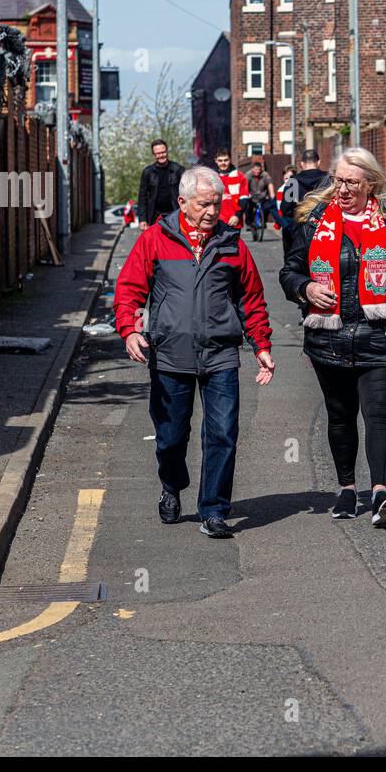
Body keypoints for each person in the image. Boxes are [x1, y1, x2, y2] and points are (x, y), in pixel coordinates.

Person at [279, 146, 386, 527]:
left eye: (351, 182)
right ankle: (348, 488)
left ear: (370, 183)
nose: (342, 189)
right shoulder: (313, 219)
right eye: (337, 180)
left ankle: (382, 491)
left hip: (384, 337)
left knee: (378, 412)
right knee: (340, 415)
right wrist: (305, 289)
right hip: (329, 337)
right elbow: (289, 273)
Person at [115, 165, 276, 539]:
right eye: (204, 204)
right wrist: (129, 330)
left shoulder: (232, 243)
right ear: (183, 202)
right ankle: (171, 485)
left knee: (222, 433)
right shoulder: (156, 239)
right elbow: (129, 290)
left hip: (220, 354)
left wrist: (262, 345)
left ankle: (214, 510)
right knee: (171, 436)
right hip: (171, 353)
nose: (212, 212)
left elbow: (251, 299)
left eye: (217, 204)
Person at [279, 149, 329, 259]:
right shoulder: (327, 179)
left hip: (299, 231)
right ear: (318, 162)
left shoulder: (293, 181)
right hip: (323, 230)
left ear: (302, 164)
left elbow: (285, 208)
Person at [137, 139, 184, 229]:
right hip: (154, 217)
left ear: (167, 152)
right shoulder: (148, 172)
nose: (161, 155)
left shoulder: (178, 169)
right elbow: (142, 197)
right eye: (158, 153)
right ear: (153, 155)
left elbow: (186, 193)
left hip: (175, 215)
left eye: (163, 152)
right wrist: (142, 219)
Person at [214, 150, 248, 230]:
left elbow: (244, 199)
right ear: (216, 161)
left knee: (233, 242)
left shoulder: (240, 176)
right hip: (216, 220)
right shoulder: (212, 177)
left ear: (230, 160)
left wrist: (237, 216)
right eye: (220, 160)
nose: (223, 163)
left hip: (233, 220)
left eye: (226, 160)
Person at [246, 159, 278, 242]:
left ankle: (263, 221)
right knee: (247, 207)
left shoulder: (265, 175)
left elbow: (270, 184)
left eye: (259, 170)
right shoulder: (248, 175)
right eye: (255, 169)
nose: (257, 171)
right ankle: (250, 223)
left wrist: (272, 194)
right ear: (252, 169)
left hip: (262, 197)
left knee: (268, 206)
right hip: (251, 197)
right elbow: (245, 185)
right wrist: (246, 194)